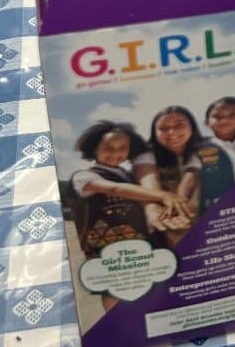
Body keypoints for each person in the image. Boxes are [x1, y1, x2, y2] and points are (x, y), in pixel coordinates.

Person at [68, 120, 191, 307]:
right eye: (108, 148)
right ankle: (116, 327)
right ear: (94, 149)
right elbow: (117, 189)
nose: (116, 153)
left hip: (138, 244)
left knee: (145, 290)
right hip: (106, 248)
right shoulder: (83, 176)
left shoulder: (130, 175)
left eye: (122, 148)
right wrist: (163, 195)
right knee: (113, 290)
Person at [147, 105, 235, 245]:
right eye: (163, 129)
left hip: (205, 223)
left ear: (192, 126)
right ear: (154, 132)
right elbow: (149, 184)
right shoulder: (147, 155)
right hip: (163, 226)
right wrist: (165, 213)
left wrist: (179, 208)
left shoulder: (207, 147)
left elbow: (190, 177)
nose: (172, 132)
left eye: (179, 125)